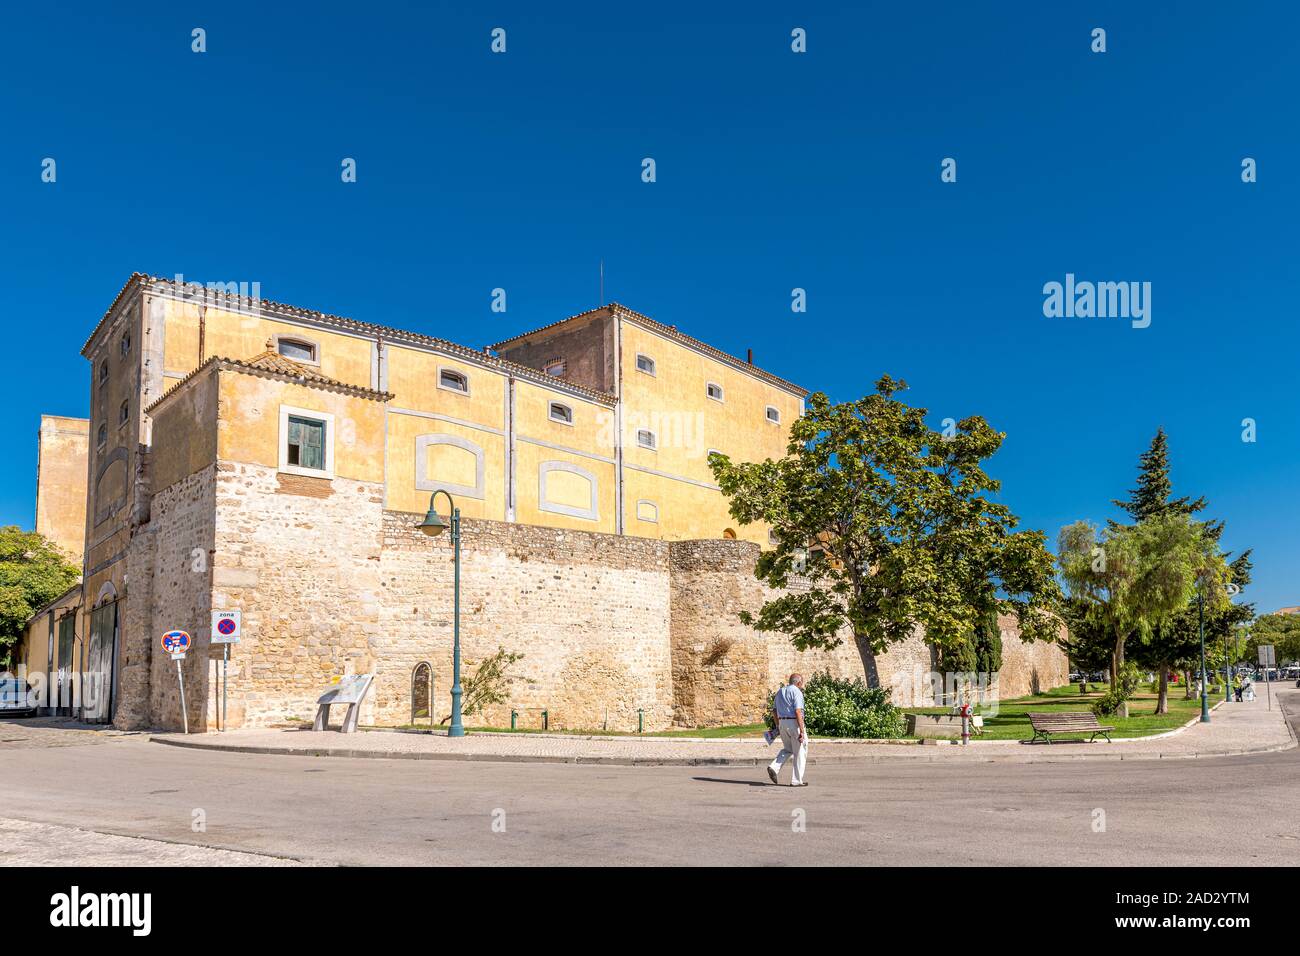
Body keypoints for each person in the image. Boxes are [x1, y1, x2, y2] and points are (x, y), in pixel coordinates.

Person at [767, 673, 808, 786]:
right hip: (793, 722)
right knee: (800, 751)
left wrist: (777, 726)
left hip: (782, 722)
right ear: (798, 682)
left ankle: (774, 767)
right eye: (801, 683)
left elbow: (774, 711)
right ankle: (796, 780)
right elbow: (798, 711)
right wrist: (802, 730)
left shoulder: (780, 691)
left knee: (788, 749)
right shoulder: (796, 691)